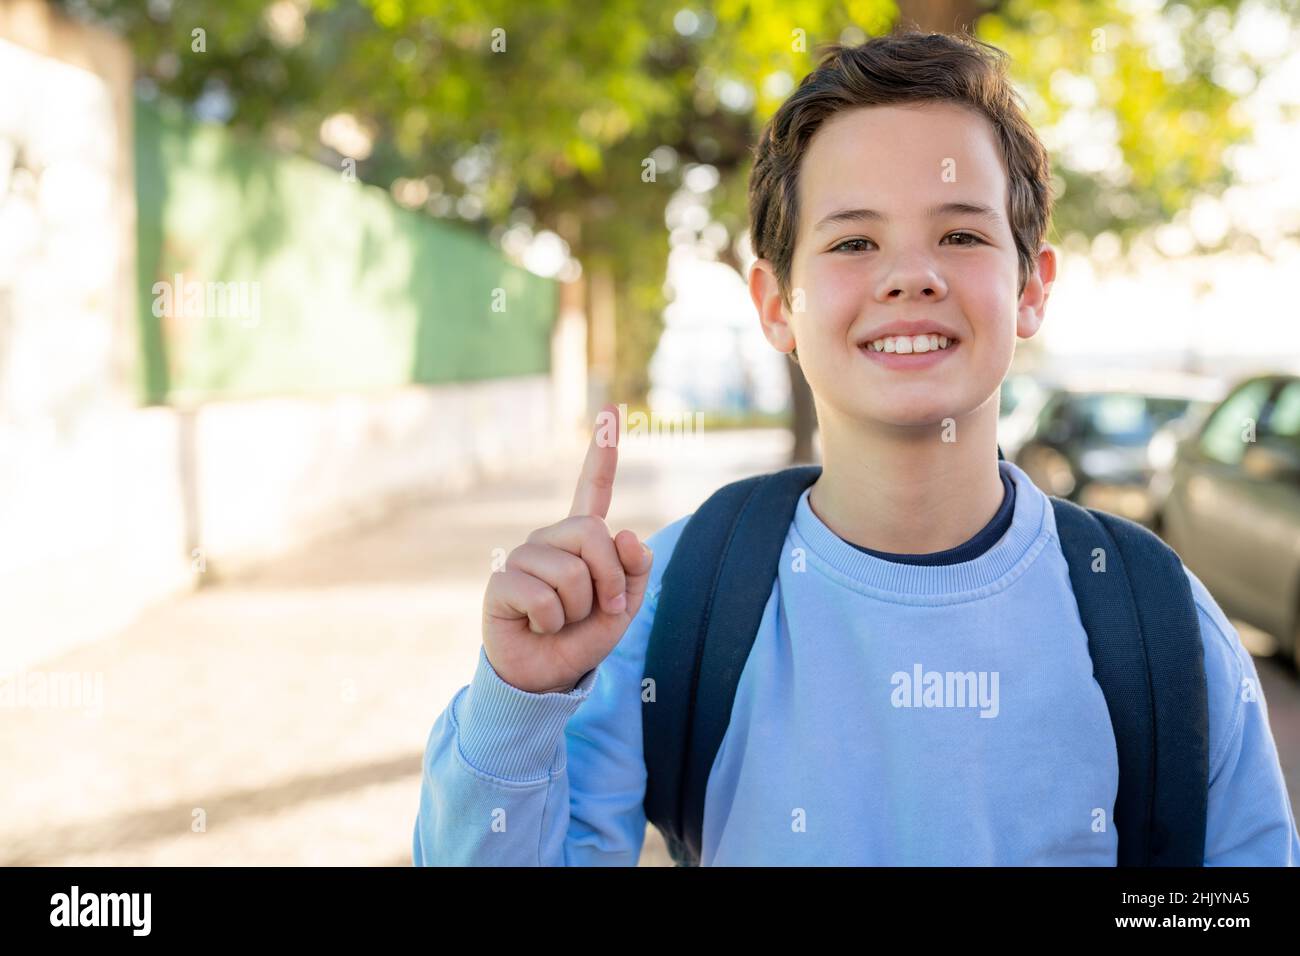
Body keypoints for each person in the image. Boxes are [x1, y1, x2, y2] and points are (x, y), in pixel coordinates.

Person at [412, 30, 1300, 865]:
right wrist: (517, 705)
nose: (910, 274)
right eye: (852, 241)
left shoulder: (1156, 620)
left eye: (960, 234)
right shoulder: (674, 594)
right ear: (774, 304)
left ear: (1032, 286)